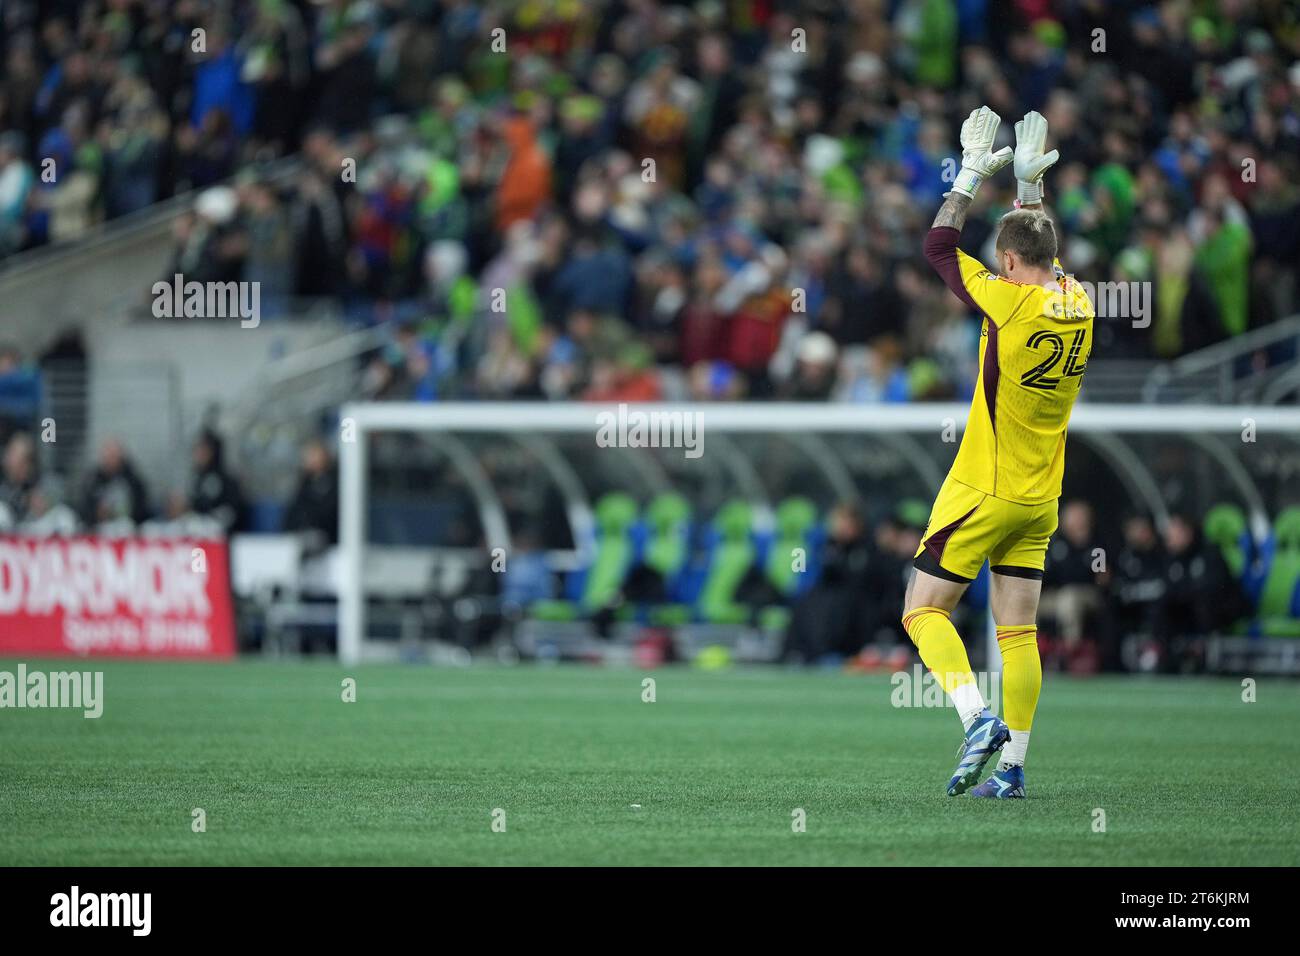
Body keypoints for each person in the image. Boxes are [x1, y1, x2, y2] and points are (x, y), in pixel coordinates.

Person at [902, 108, 1092, 799]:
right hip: (1042, 498)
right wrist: (1030, 191)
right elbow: (1039, 245)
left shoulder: (1006, 303)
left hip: (984, 484)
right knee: (1017, 633)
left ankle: (976, 717)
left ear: (1007, 264)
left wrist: (974, 171)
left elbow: (938, 247)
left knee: (923, 612)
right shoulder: (1079, 302)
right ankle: (1013, 770)